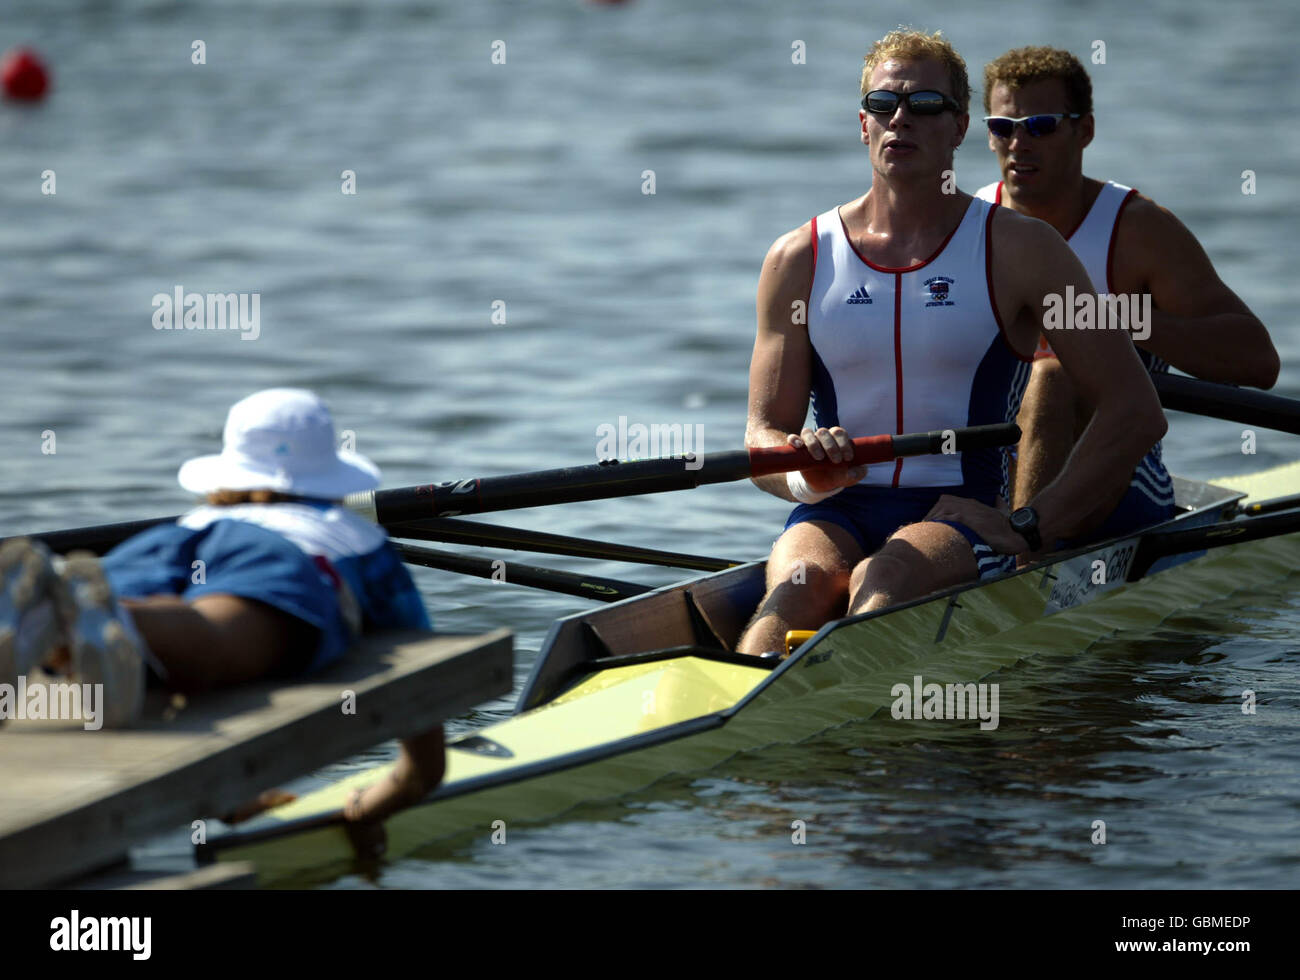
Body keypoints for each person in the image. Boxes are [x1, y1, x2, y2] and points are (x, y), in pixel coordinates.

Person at [736, 29, 1167, 656]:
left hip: (958, 510)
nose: (901, 119)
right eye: (884, 106)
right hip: (837, 509)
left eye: (925, 105)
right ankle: (743, 704)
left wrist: (1031, 525)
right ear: (863, 125)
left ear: (959, 125)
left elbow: (1133, 410)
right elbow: (761, 438)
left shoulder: (1023, 249)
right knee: (796, 590)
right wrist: (802, 472)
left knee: (885, 575)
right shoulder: (796, 258)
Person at [0, 388, 439, 821]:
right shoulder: (351, 532)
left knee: (112, 606)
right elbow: (424, 679)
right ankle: (112, 616)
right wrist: (382, 800)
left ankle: (50, 610)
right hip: (291, 554)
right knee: (215, 632)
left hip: (171, 542)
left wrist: (235, 799)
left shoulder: (198, 520)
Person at [975, 46, 1278, 512]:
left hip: (1118, 480)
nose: (1019, 144)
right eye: (1003, 128)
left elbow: (1258, 361)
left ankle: (1022, 562)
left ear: (1085, 130)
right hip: (991, 468)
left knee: (1052, 379)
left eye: (1041, 126)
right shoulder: (970, 223)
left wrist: (1129, 319)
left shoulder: (1137, 231)